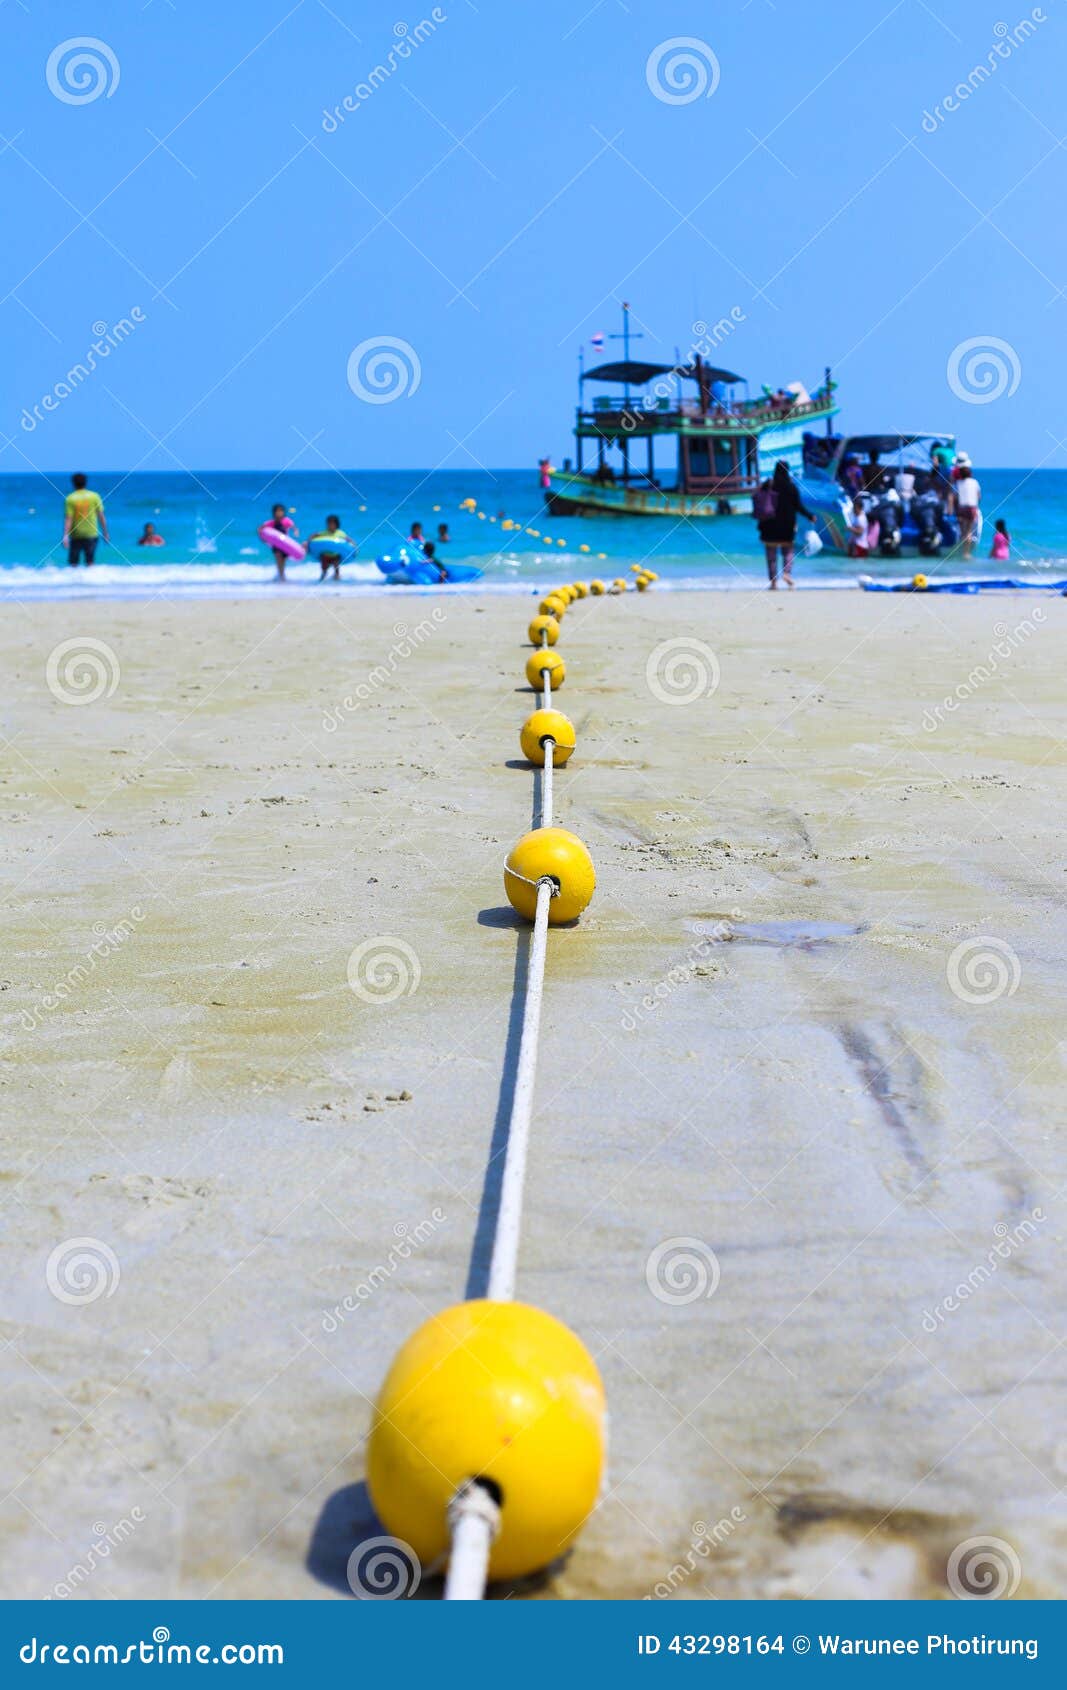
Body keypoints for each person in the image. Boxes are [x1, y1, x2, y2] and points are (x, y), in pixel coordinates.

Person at [752, 459, 815, 589]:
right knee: (788, 551)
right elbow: (798, 506)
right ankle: (786, 573)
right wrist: (810, 516)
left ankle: (773, 582)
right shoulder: (791, 487)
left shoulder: (768, 485)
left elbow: (757, 497)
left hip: (768, 524)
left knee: (771, 554)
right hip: (787, 525)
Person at [62, 472, 109, 566]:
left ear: (73, 483)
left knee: (73, 564)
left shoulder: (70, 498)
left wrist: (65, 536)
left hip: (76, 534)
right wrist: (105, 532)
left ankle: (74, 580)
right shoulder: (94, 496)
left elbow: (69, 519)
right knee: (90, 562)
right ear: (85, 482)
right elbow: (101, 516)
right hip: (92, 533)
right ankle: (90, 579)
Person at [307, 513, 352, 582]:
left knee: (336, 567)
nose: (330, 525)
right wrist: (309, 541)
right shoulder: (324, 533)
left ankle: (337, 578)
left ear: (336, 524)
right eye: (329, 524)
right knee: (324, 568)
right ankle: (323, 577)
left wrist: (353, 546)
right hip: (325, 555)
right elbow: (314, 535)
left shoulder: (340, 533)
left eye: (332, 524)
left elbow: (348, 540)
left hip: (335, 554)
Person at [955, 462, 982, 559]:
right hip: (971, 508)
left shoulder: (958, 483)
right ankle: (966, 553)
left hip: (962, 508)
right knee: (969, 532)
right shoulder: (974, 482)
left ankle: (961, 552)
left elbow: (956, 497)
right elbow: (979, 497)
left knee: (963, 532)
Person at [266, 502, 298, 581]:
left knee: (283, 560)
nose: (279, 513)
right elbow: (263, 529)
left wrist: (295, 531)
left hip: (285, 544)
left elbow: (293, 527)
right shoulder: (272, 522)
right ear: (274, 513)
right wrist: (261, 533)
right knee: (278, 558)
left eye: (281, 511)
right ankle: (281, 576)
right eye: (277, 511)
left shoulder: (286, 521)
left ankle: (280, 574)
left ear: (284, 512)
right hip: (276, 545)